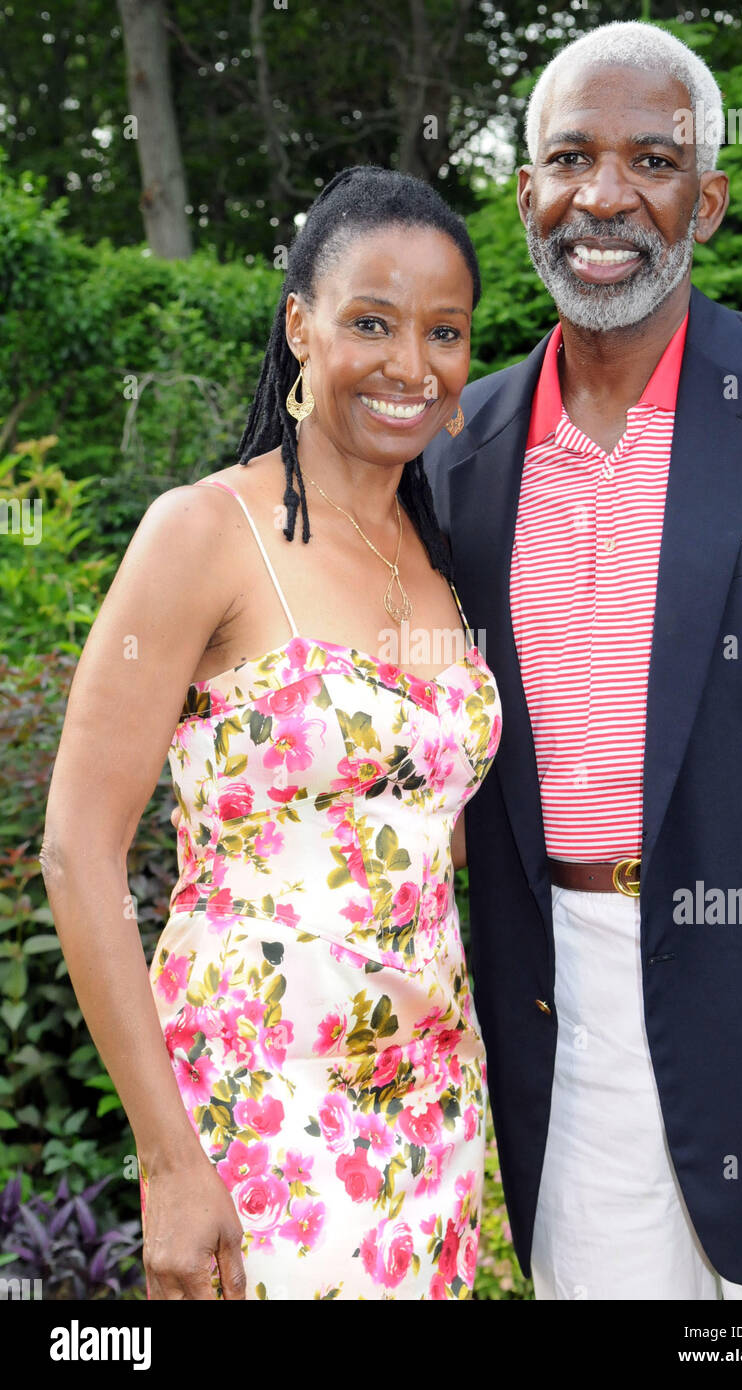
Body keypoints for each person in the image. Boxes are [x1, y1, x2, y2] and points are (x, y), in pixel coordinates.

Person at [424, 21, 742, 1300]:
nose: (603, 195)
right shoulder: (457, 455)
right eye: (568, 156)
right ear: (523, 196)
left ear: (706, 202)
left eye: (651, 160)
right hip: (565, 1032)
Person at [40, 166, 501, 1301]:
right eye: (371, 323)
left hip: (433, 1111)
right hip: (259, 1123)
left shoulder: (444, 553)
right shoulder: (201, 531)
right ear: (299, 325)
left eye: (443, 332)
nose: (412, 365)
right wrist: (167, 1162)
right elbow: (78, 850)